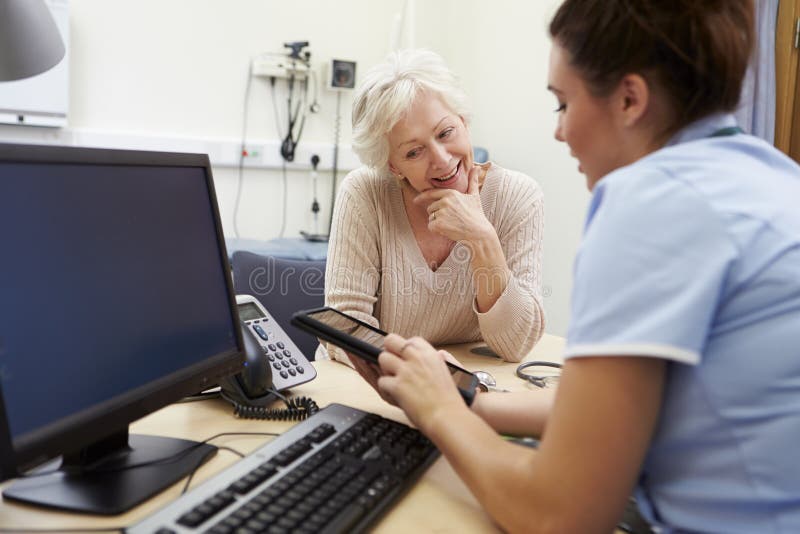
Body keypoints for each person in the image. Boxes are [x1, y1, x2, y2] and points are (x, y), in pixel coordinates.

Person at [359, 1, 800, 532]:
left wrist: (440, 413)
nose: (559, 133)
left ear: (630, 99)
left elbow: (559, 516)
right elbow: (623, 412)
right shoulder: (772, 177)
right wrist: (464, 399)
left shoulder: (650, 204)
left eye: (562, 104)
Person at [320, 49, 545, 365]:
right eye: (414, 152)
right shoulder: (365, 194)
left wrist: (482, 239)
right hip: (366, 382)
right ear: (393, 167)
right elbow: (344, 327)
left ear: (463, 122)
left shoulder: (518, 196)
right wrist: (422, 368)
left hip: (469, 387)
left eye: (445, 132)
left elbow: (516, 344)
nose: (441, 159)